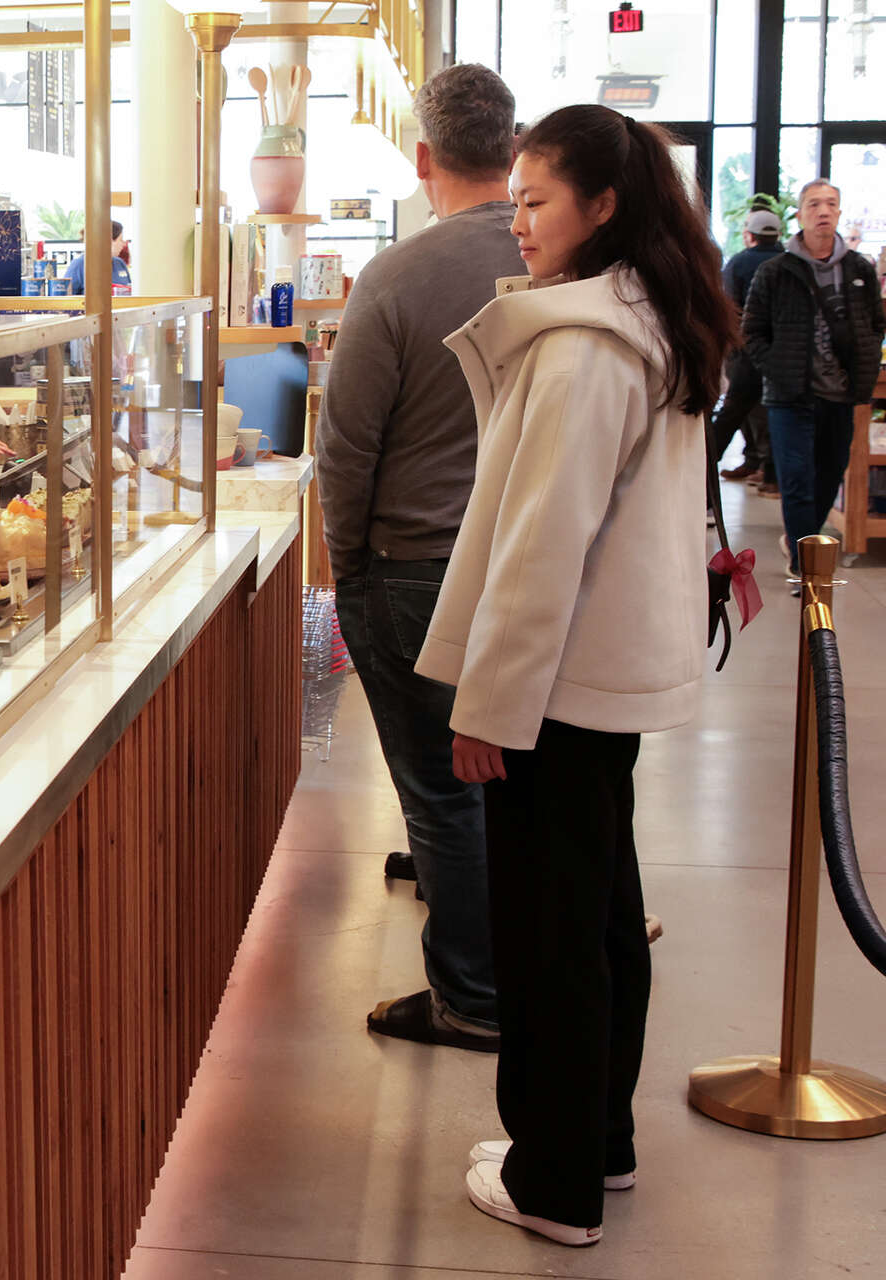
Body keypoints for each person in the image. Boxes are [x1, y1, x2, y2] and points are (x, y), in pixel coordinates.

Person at [416, 104, 737, 1248]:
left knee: (552, 931)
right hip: (603, 680)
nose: (519, 224)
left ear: (603, 206)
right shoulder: (651, 314)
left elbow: (543, 544)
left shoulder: (584, 342)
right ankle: (595, 1141)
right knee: (597, 911)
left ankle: (552, 1177)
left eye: (538, 201)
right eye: (512, 200)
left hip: (555, 684)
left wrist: (487, 708)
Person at [316, 62, 523, 1052]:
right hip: (529, 567)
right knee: (517, 776)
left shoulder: (396, 276)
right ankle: (525, 953)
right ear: (516, 151)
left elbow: (346, 444)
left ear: (425, 156)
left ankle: (471, 996)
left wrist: (346, 566)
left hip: (416, 567)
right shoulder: (557, 263)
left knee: (441, 788)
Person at [742, 179, 885, 577]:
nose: (824, 211)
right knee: (796, 480)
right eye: (814, 204)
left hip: (841, 395)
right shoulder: (776, 271)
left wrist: (867, 366)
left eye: (831, 204)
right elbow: (752, 329)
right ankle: (809, 569)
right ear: (800, 215)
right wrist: (777, 367)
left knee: (829, 473)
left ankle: (799, 539)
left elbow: (875, 323)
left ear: (839, 213)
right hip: (790, 396)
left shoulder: (859, 269)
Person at [713, 210, 784, 482]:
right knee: (773, 413)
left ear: (750, 235)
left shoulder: (739, 263)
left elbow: (728, 307)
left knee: (732, 412)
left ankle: (703, 482)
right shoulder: (790, 262)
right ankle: (764, 470)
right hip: (782, 354)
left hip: (745, 350)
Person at [65, 221, 131, 295]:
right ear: (109, 240)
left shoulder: (120, 263)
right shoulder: (79, 265)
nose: (123, 244)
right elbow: (65, 300)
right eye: (121, 239)